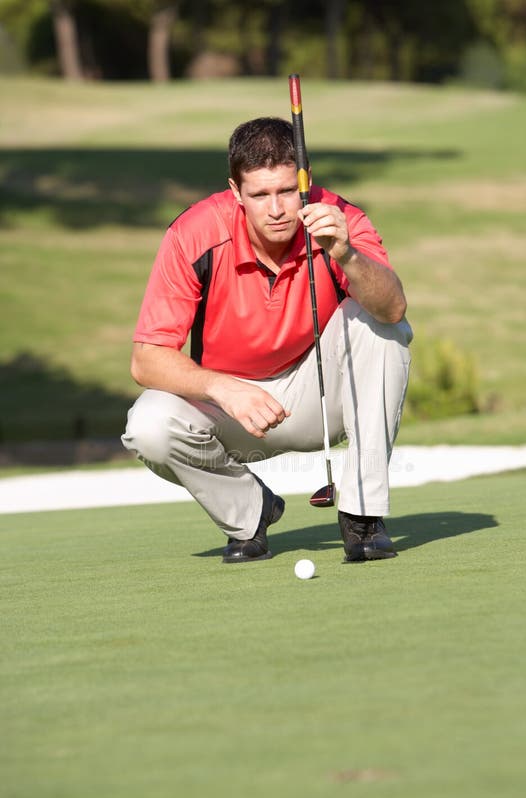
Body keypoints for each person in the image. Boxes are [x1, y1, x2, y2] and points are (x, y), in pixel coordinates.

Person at [121, 117, 412, 564]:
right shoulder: (193, 233)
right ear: (236, 193)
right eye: (259, 195)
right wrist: (223, 386)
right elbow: (146, 360)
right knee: (148, 427)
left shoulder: (340, 218)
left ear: (305, 182)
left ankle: (362, 516)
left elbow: (393, 311)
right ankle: (249, 514)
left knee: (380, 325)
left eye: (285, 191)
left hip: (320, 396)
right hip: (230, 408)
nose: (276, 209)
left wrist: (346, 253)